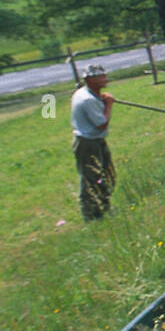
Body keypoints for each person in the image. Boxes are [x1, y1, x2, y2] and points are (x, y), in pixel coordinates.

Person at [71, 64, 116, 221]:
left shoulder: (87, 93)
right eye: (101, 76)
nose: (105, 78)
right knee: (92, 177)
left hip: (95, 140)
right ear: (90, 80)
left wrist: (103, 99)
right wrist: (109, 104)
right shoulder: (87, 99)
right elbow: (102, 124)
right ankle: (92, 214)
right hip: (87, 143)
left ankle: (104, 205)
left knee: (104, 172)